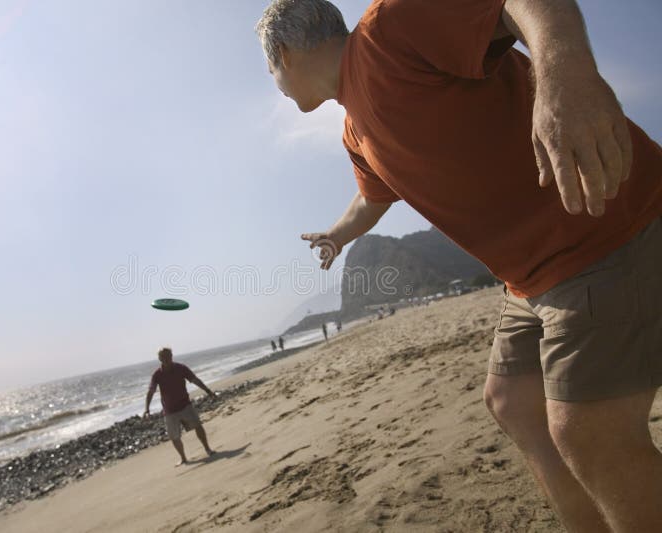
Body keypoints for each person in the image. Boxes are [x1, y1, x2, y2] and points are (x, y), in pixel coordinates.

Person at [256, 1, 662, 531]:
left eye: (271, 72)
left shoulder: (389, 28)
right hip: (530, 281)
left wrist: (567, 77)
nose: (277, 86)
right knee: (514, 402)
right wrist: (337, 234)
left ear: (283, 54)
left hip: (603, 228)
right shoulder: (356, 134)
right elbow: (371, 201)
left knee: (588, 432)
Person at [144, 347, 216, 466]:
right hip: (169, 410)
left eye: (168, 356)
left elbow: (195, 380)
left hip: (185, 405)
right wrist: (147, 409)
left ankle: (208, 449)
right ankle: (183, 458)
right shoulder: (157, 374)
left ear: (172, 356)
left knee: (198, 426)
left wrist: (208, 391)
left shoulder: (181, 368)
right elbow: (151, 391)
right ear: (159, 359)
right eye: (163, 357)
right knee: (174, 437)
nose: (166, 359)